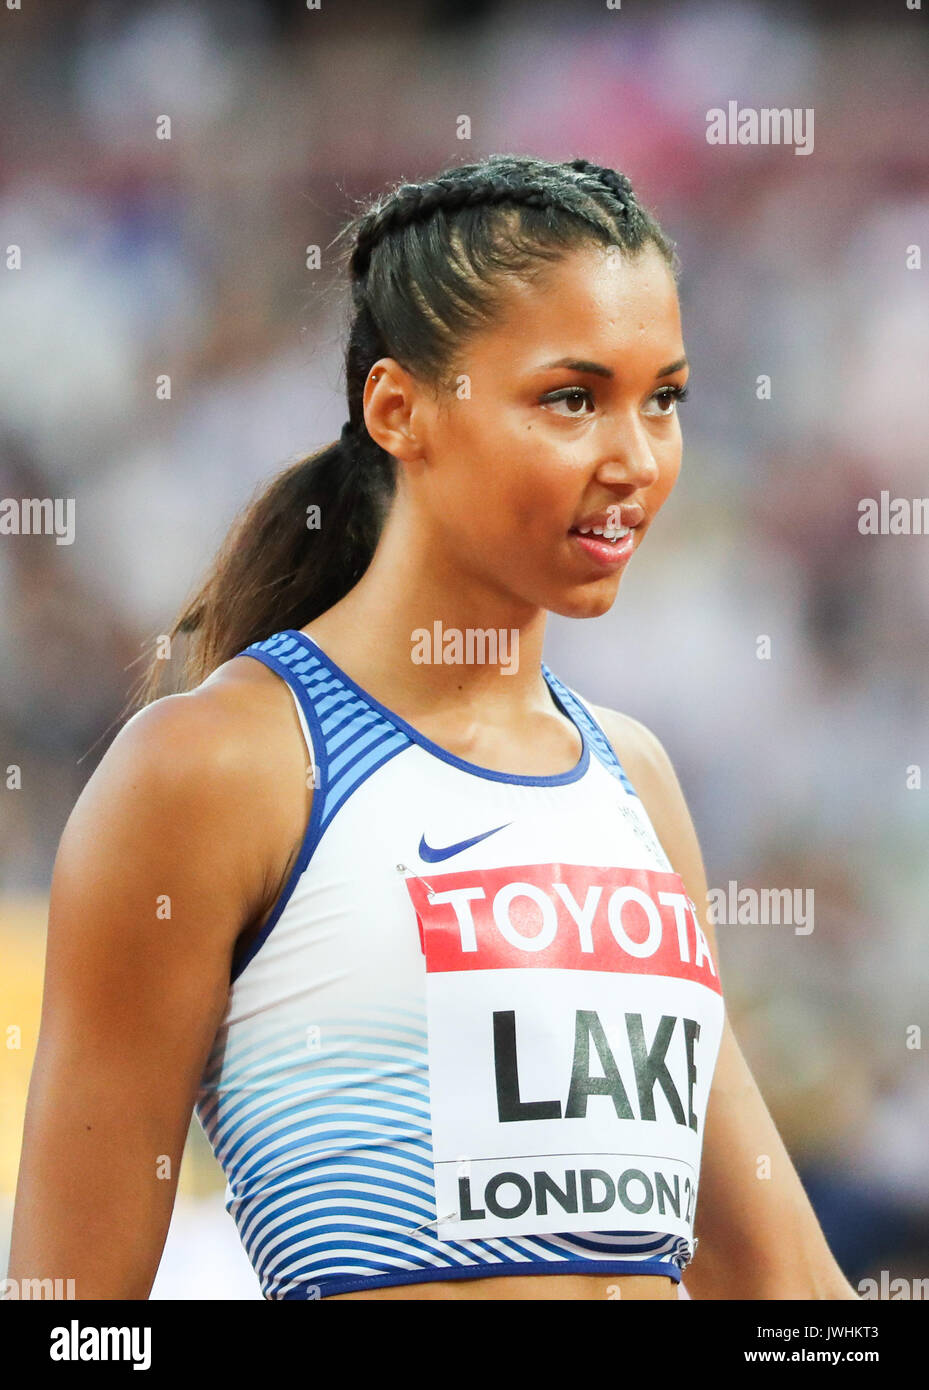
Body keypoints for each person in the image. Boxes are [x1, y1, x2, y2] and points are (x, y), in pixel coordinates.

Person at [8, 154, 859, 1301]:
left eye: (662, 398)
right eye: (571, 399)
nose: (634, 459)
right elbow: (67, 1317)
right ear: (398, 410)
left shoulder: (632, 780)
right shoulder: (216, 767)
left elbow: (781, 1289)